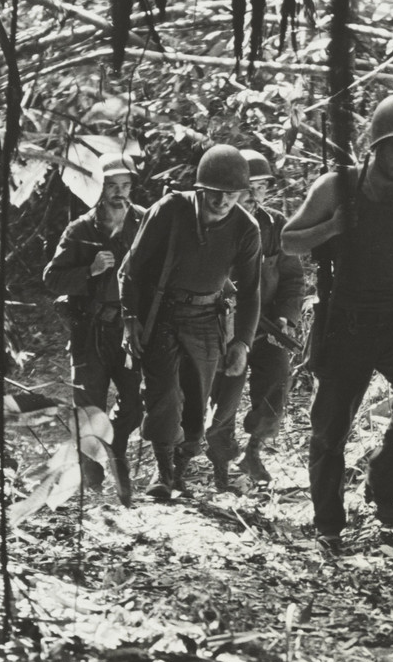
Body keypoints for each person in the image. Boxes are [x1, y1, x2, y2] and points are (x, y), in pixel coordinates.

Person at [281, 94, 393, 550]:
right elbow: (288, 242)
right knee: (330, 428)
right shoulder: (336, 187)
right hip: (344, 322)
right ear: (377, 145)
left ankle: (382, 485)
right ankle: (328, 523)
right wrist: (332, 228)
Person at [120, 144, 261, 500]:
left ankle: (181, 469)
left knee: (197, 403)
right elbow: (131, 270)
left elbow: (250, 292)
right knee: (163, 394)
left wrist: (242, 342)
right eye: (215, 193)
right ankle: (163, 472)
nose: (223, 201)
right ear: (201, 189)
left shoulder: (246, 229)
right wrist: (129, 318)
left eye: (232, 195)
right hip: (162, 313)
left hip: (206, 318)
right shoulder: (170, 211)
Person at [42, 154, 146, 505]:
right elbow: (51, 278)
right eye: (112, 186)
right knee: (88, 409)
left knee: (137, 401)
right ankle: (95, 484)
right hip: (91, 331)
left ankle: (114, 446)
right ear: (99, 189)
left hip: (131, 330)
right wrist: (90, 270)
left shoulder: (145, 222)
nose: (120, 193)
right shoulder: (81, 229)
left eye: (126, 186)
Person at [205, 150, 304, 491]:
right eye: (250, 187)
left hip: (266, 326)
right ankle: (220, 466)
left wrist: (285, 316)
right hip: (224, 326)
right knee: (225, 395)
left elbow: (292, 278)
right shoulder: (214, 222)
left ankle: (254, 450)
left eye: (262, 188)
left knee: (277, 379)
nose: (256, 196)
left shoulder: (275, 225)